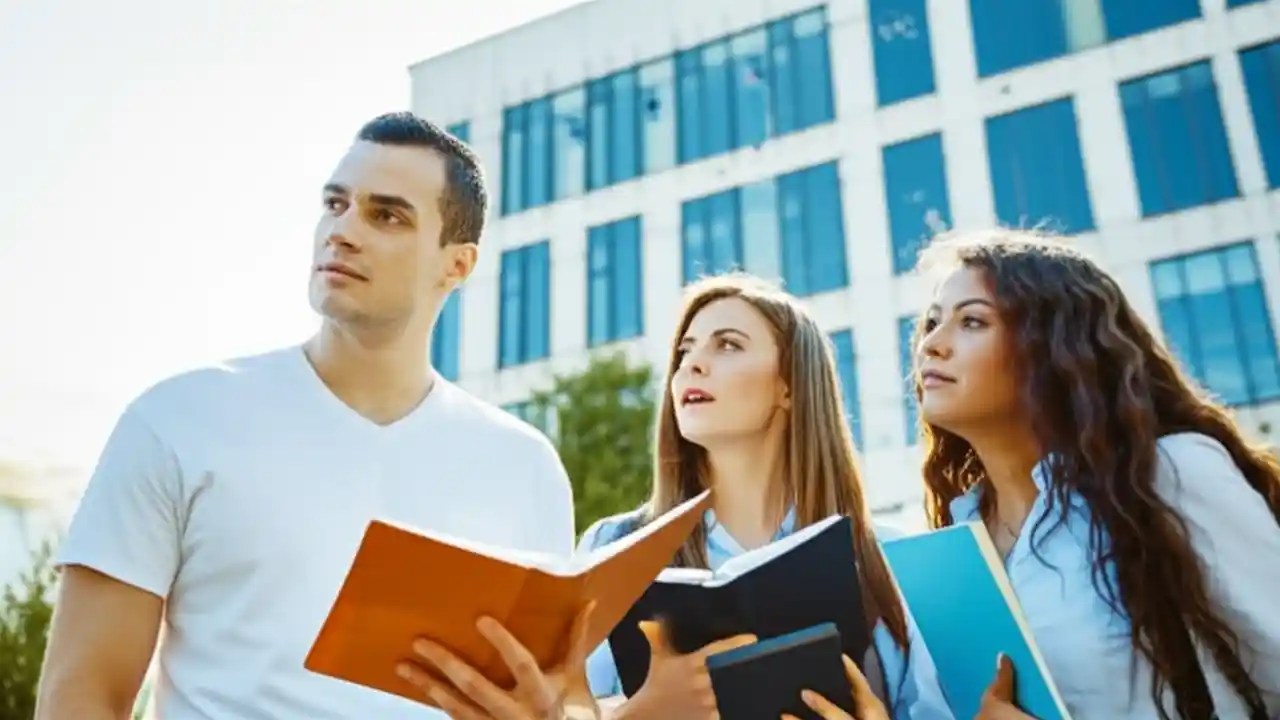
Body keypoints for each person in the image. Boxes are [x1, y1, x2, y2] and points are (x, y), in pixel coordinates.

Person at [36, 112, 596, 720]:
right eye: (336, 203)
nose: (343, 231)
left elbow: (557, 696)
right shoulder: (178, 420)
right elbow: (81, 692)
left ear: (457, 265)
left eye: (386, 215)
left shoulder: (525, 468)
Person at [808, 228, 1280, 720]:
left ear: (1053, 345)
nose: (932, 344)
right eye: (931, 322)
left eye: (971, 322)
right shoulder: (951, 548)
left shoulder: (1172, 475)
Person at [575, 274, 955, 720]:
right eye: (685, 350)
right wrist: (640, 713)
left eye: (728, 345)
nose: (691, 365)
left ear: (789, 387)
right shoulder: (612, 548)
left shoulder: (891, 562)